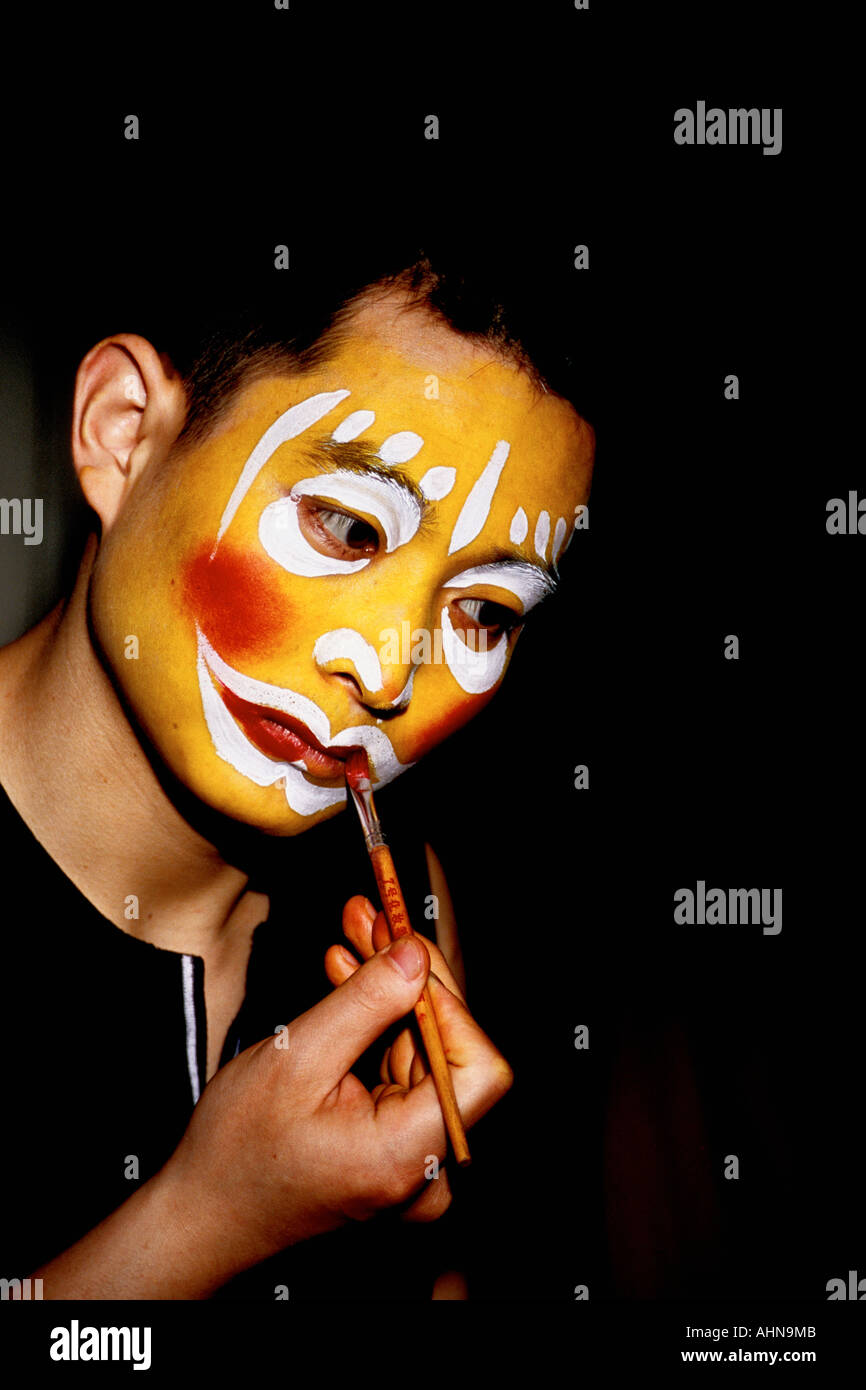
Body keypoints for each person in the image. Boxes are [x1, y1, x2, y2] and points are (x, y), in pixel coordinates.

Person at [0, 250, 595, 1299]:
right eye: (348, 524)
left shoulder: (398, 906)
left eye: (483, 610)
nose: (384, 667)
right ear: (122, 430)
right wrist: (205, 1223)